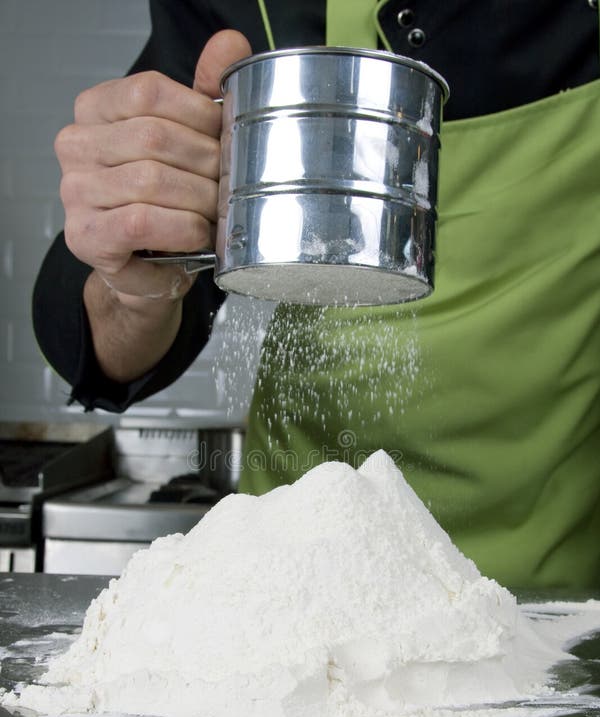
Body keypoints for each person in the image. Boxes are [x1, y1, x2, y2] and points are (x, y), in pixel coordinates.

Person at [32, 1, 600, 590]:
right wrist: (133, 282)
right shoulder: (248, 9)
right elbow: (104, 344)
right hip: (298, 572)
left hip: (552, 592)